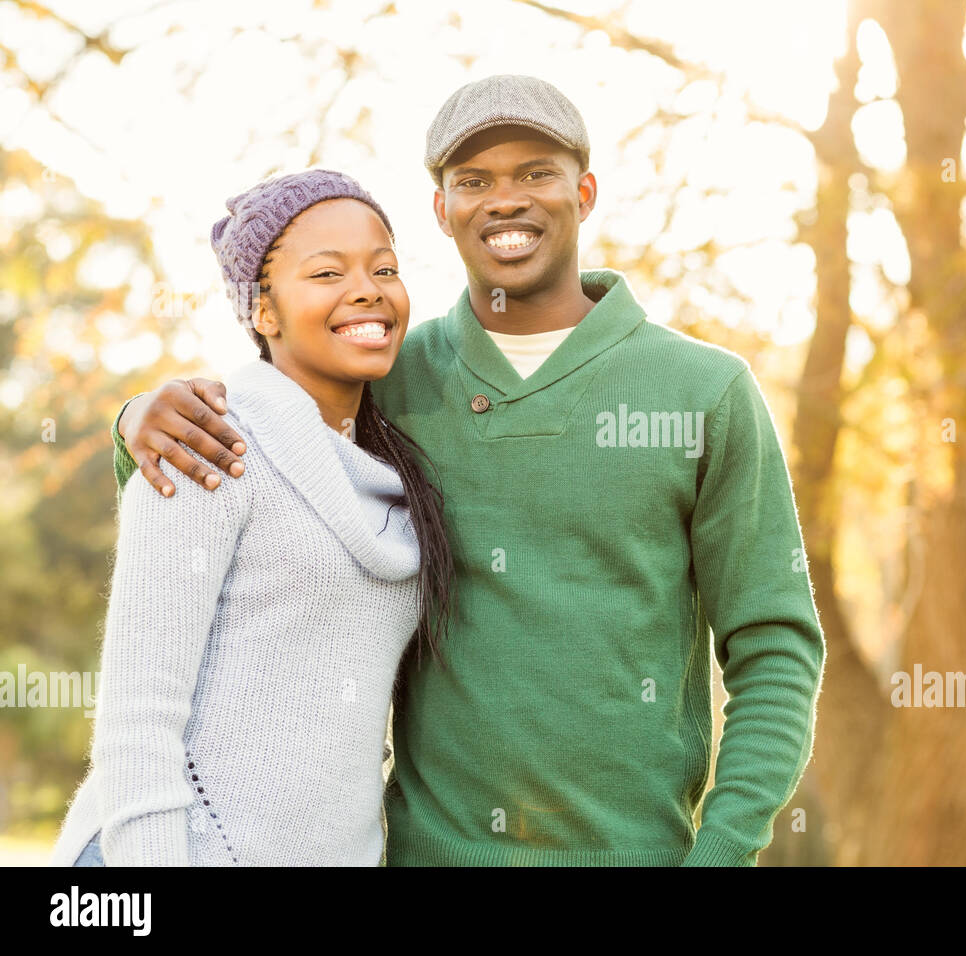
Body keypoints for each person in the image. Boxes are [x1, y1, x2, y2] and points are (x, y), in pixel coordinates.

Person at [108, 75, 825, 866]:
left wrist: (723, 850)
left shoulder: (704, 392)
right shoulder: (387, 379)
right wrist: (134, 418)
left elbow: (776, 647)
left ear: (583, 193)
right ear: (442, 210)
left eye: (536, 174)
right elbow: (248, 444)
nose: (505, 200)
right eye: (474, 181)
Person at [50, 170, 454, 866]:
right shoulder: (208, 443)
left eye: (384, 267)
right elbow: (137, 717)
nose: (367, 288)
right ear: (262, 312)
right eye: (326, 272)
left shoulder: (393, 477)